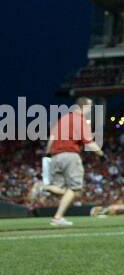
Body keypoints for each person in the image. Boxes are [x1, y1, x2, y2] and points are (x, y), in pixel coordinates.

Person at [38, 97, 103, 227]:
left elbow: (51, 139)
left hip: (55, 156)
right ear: (83, 106)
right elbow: (89, 141)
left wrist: (48, 154)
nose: (90, 109)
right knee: (75, 189)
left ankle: (45, 187)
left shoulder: (63, 119)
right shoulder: (80, 120)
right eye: (90, 107)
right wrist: (101, 154)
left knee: (60, 189)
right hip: (70, 155)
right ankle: (57, 217)